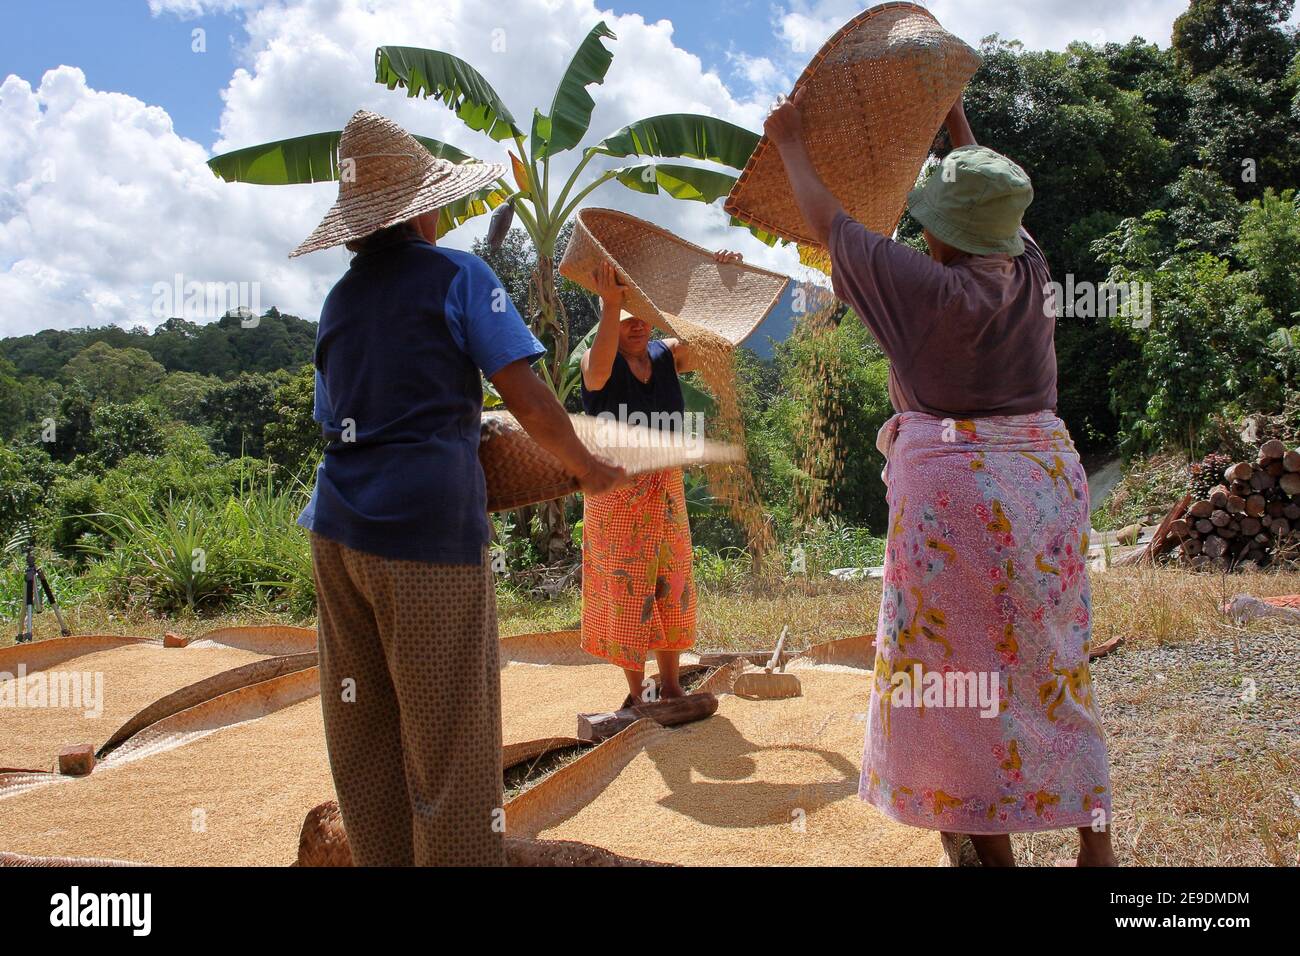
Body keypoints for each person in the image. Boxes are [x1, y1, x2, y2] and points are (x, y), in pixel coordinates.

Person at [763, 90, 1115, 867]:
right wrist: (958, 127)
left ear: (940, 235)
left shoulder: (924, 290)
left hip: (957, 496)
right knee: (1051, 661)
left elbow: (831, 226)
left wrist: (789, 142)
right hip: (1046, 484)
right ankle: (1097, 843)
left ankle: (992, 854)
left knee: (965, 678)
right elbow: (990, 201)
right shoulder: (1029, 269)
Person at [292, 109, 626, 866]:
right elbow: (533, 401)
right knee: (454, 752)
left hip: (337, 533)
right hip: (425, 537)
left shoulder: (339, 302)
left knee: (364, 741)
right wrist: (586, 467)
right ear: (421, 208)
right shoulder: (461, 276)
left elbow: (340, 417)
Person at [578, 254, 740, 707]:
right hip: (617, 494)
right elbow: (600, 370)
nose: (637, 326)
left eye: (642, 318)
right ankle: (637, 694)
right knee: (627, 589)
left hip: (665, 489)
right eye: (626, 319)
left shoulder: (666, 355)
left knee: (673, 583)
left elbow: (717, 345)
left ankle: (670, 686)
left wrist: (719, 284)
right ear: (610, 320)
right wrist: (612, 303)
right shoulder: (597, 361)